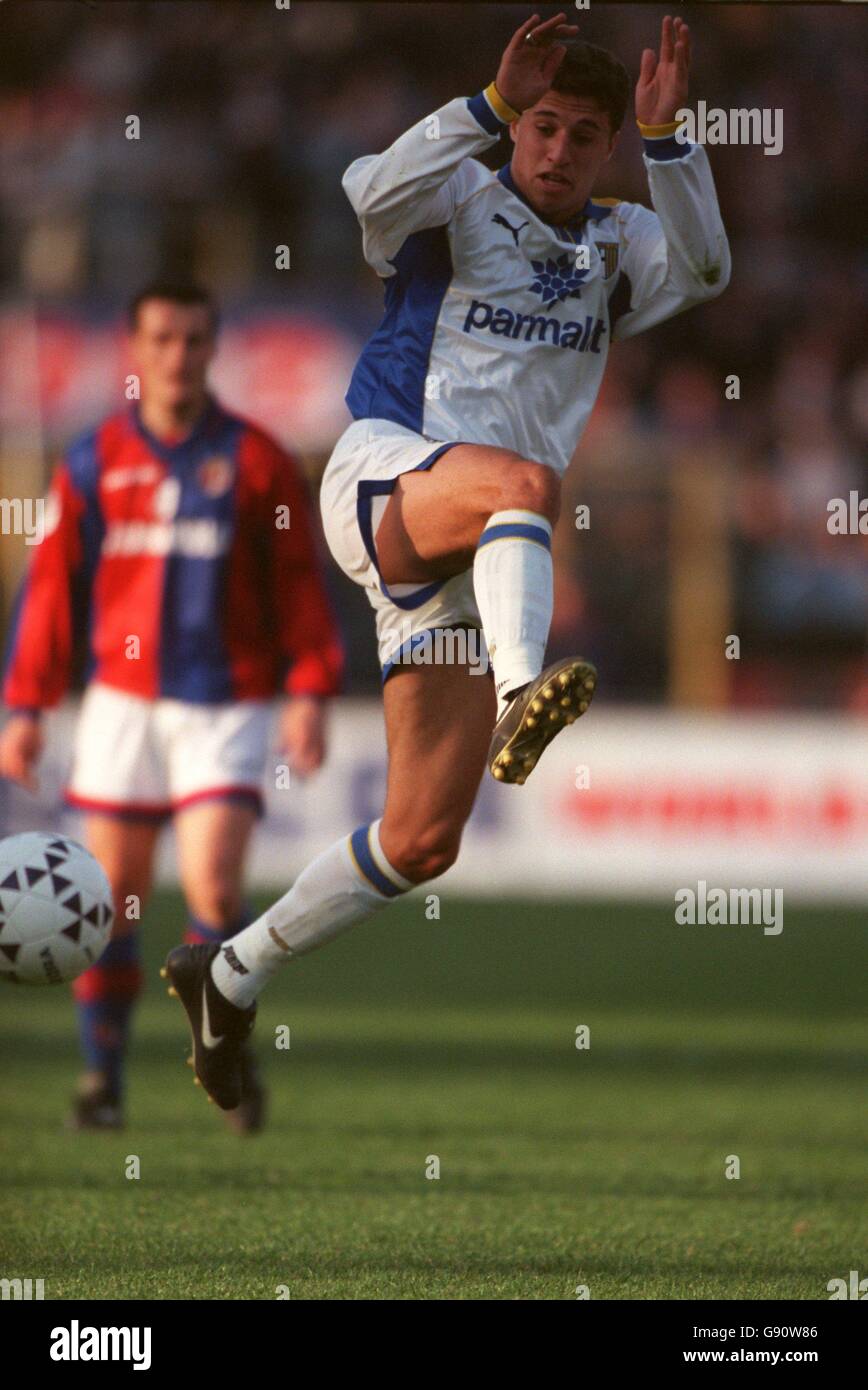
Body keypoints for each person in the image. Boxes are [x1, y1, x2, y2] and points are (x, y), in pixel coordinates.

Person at [162, 14, 730, 1110]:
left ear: (607, 147)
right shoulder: (457, 199)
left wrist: (672, 144)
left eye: (582, 134)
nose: (555, 149)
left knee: (423, 840)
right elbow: (368, 194)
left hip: (479, 556)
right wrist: (486, 107)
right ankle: (527, 689)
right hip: (388, 476)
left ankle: (228, 972)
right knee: (526, 485)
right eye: (544, 126)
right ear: (521, 127)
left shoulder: (617, 243)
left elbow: (703, 270)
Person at [0, 283, 343, 1131]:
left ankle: (224, 1048)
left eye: (193, 339)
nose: (178, 355)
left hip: (224, 703)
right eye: (162, 339)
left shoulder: (258, 459)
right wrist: (26, 703)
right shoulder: (94, 458)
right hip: (122, 705)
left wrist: (308, 688)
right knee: (111, 900)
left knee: (215, 893)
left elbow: (299, 583)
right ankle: (101, 1079)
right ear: (135, 349)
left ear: (212, 348)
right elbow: (52, 589)